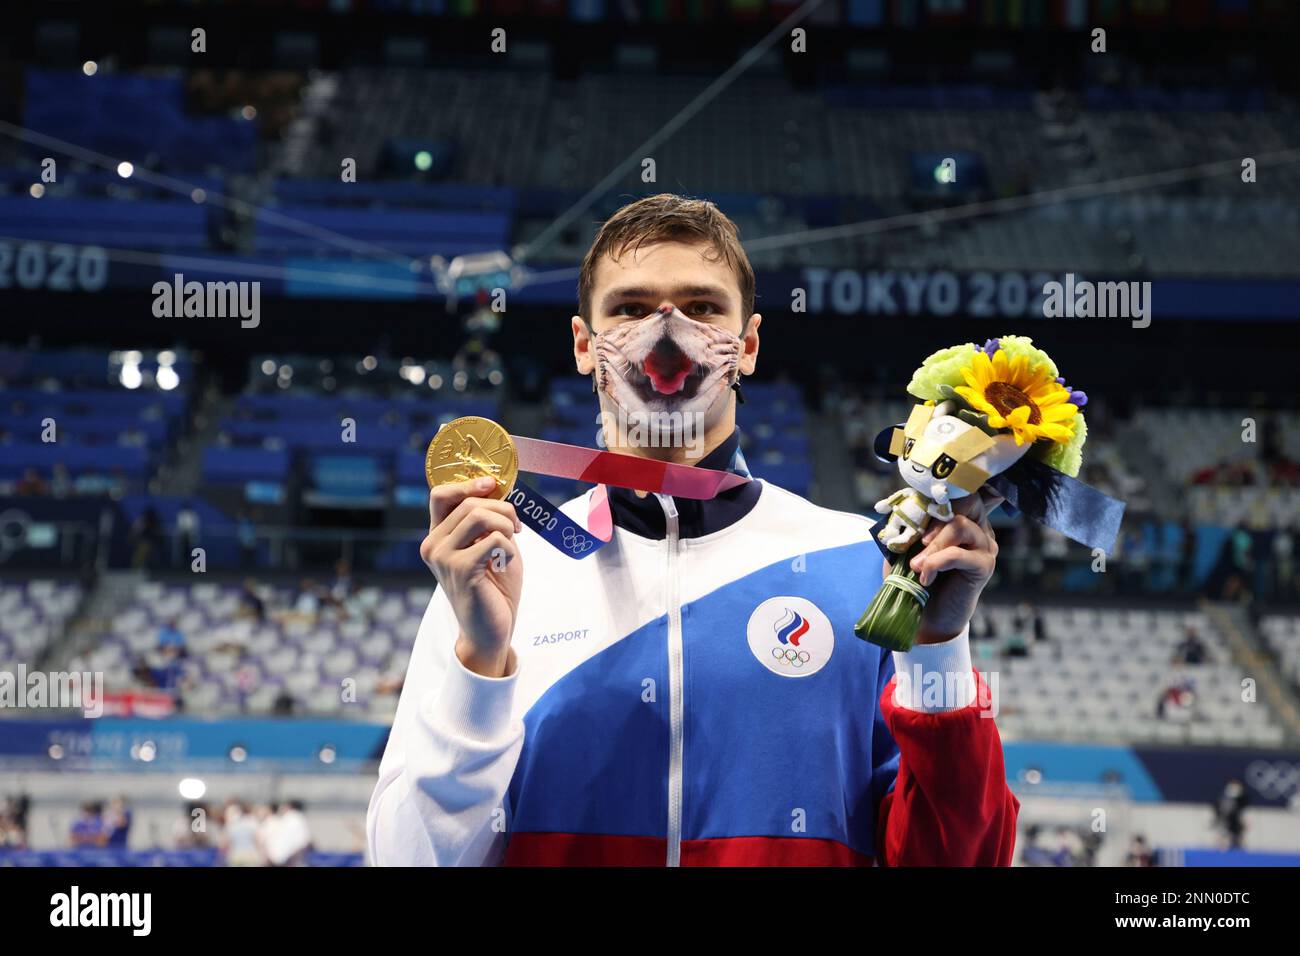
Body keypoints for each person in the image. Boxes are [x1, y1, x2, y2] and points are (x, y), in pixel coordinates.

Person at [368, 194, 1017, 867]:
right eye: (630, 308)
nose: (666, 328)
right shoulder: (495, 583)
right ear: (584, 347)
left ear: (750, 345)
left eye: (703, 307)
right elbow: (406, 859)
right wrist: (482, 662)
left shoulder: (866, 566)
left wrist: (940, 648)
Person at [1213, 779, 1248, 850]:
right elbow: (1219, 810)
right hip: (1224, 824)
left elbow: (1241, 811)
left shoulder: (1241, 800)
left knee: (1237, 842)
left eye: (1236, 786)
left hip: (1235, 825)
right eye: (1233, 786)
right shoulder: (1223, 798)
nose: (1234, 788)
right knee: (1222, 841)